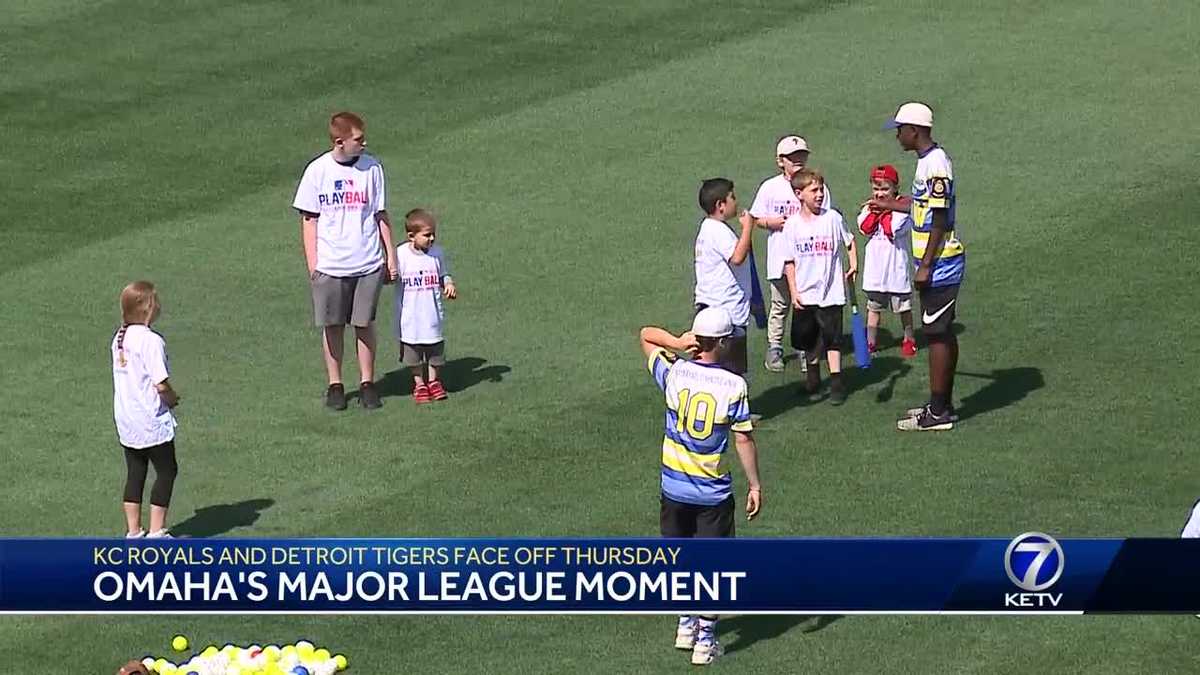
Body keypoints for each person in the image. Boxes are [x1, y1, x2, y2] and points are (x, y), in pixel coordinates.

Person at [640, 307, 763, 666]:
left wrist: (677, 342)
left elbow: (646, 334)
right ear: (723, 343)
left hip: (672, 489)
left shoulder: (675, 373)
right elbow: (743, 441)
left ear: (698, 340)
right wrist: (754, 485)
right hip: (712, 493)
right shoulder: (735, 387)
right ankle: (705, 638)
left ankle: (684, 622)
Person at [293, 111, 398, 411]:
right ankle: (335, 384)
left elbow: (380, 214)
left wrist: (390, 256)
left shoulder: (372, 168)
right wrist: (314, 265)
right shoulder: (317, 171)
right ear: (339, 142)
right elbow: (309, 219)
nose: (363, 144)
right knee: (333, 326)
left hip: (367, 262)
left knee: (364, 324)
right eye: (358, 140)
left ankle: (367, 382)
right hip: (331, 265)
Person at [875, 102, 965, 430]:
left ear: (915, 130)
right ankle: (941, 404)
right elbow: (924, 205)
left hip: (941, 263)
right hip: (936, 261)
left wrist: (925, 265)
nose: (897, 135)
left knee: (937, 334)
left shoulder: (936, 166)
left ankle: (939, 413)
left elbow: (939, 218)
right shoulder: (927, 162)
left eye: (900, 129)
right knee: (940, 331)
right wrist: (893, 203)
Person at [749, 135, 832, 372]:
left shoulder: (816, 186)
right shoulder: (770, 187)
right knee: (780, 304)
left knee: (806, 305)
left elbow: (826, 215)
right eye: (792, 157)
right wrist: (772, 222)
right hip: (779, 259)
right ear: (780, 161)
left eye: (801, 156)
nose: (798, 160)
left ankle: (806, 349)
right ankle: (775, 347)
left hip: (808, 259)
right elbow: (756, 219)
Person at [782, 169, 858, 405]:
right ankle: (812, 380)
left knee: (833, 339)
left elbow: (850, 241)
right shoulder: (792, 225)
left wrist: (853, 264)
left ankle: (836, 382)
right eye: (813, 190)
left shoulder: (833, 218)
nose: (819, 194)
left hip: (831, 293)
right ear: (799, 194)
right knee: (809, 341)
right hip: (805, 293)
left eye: (821, 189)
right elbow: (789, 262)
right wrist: (794, 291)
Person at [112, 281, 179, 539]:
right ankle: (156, 531)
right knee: (166, 470)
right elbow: (160, 384)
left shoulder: (120, 338)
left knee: (136, 471)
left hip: (127, 417)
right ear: (148, 308)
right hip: (150, 419)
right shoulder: (151, 341)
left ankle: (133, 531)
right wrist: (172, 399)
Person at [395, 208, 457, 403]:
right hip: (410, 317)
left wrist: (448, 283)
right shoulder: (401, 254)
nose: (431, 239)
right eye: (427, 235)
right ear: (411, 236)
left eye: (433, 234)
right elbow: (391, 274)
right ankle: (419, 383)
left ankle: (433, 381)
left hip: (432, 314)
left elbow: (442, 273)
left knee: (435, 352)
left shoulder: (437, 254)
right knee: (413, 354)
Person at [693, 178, 755, 377]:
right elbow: (737, 257)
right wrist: (748, 227)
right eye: (732, 197)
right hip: (725, 313)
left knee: (709, 371)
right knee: (731, 375)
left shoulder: (707, 228)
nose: (736, 201)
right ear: (721, 205)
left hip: (712, 309)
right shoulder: (718, 231)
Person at [856, 164, 916, 357]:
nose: (880, 194)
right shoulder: (869, 208)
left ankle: (909, 339)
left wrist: (883, 209)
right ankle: (870, 342)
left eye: (884, 189)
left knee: (903, 309)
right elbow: (865, 227)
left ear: (895, 188)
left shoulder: (903, 210)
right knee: (873, 308)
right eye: (876, 189)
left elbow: (893, 229)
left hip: (897, 269)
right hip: (876, 270)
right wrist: (876, 210)